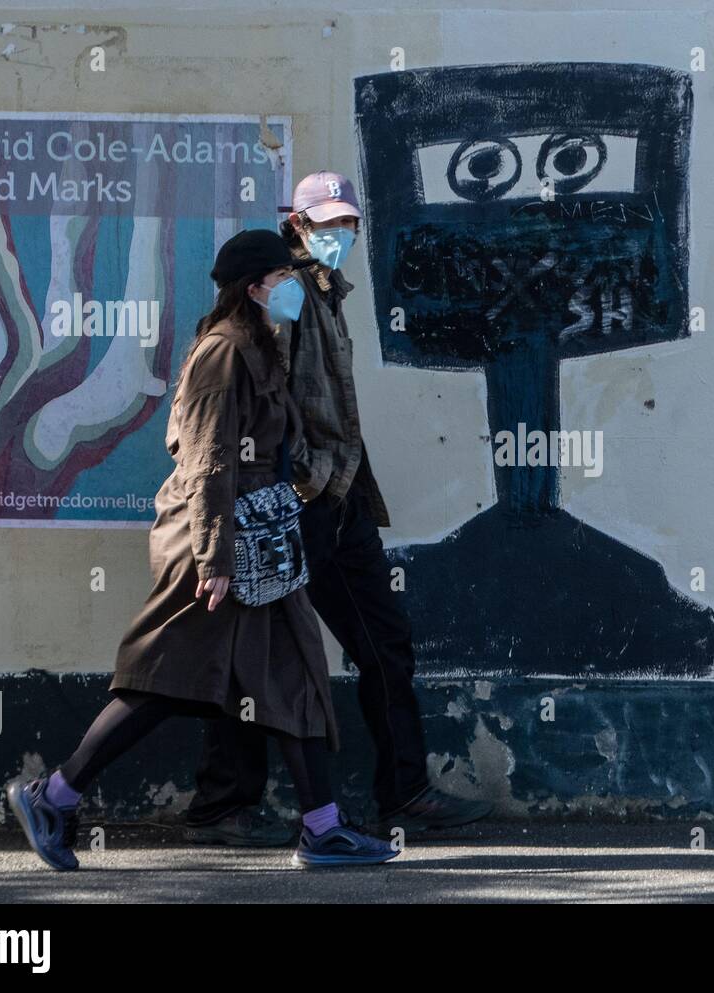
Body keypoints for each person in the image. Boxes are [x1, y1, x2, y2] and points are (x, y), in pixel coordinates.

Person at [5, 229, 397, 871]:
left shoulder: (262, 349)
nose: (295, 287)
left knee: (295, 671)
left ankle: (323, 829)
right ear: (255, 287)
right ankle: (53, 795)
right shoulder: (224, 354)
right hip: (212, 541)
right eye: (284, 278)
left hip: (259, 540)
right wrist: (214, 561)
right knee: (164, 676)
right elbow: (207, 461)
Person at [183, 172, 492, 845]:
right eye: (325, 223)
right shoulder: (287, 288)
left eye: (348, 223)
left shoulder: (325, 290)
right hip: (300, 500)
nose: (339, 235)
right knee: (253, 652)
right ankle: (223, 804)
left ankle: (402, 791)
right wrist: (298, 482)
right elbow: (266, 387)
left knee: (383, 641)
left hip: (340, 496)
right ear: (294, 223)